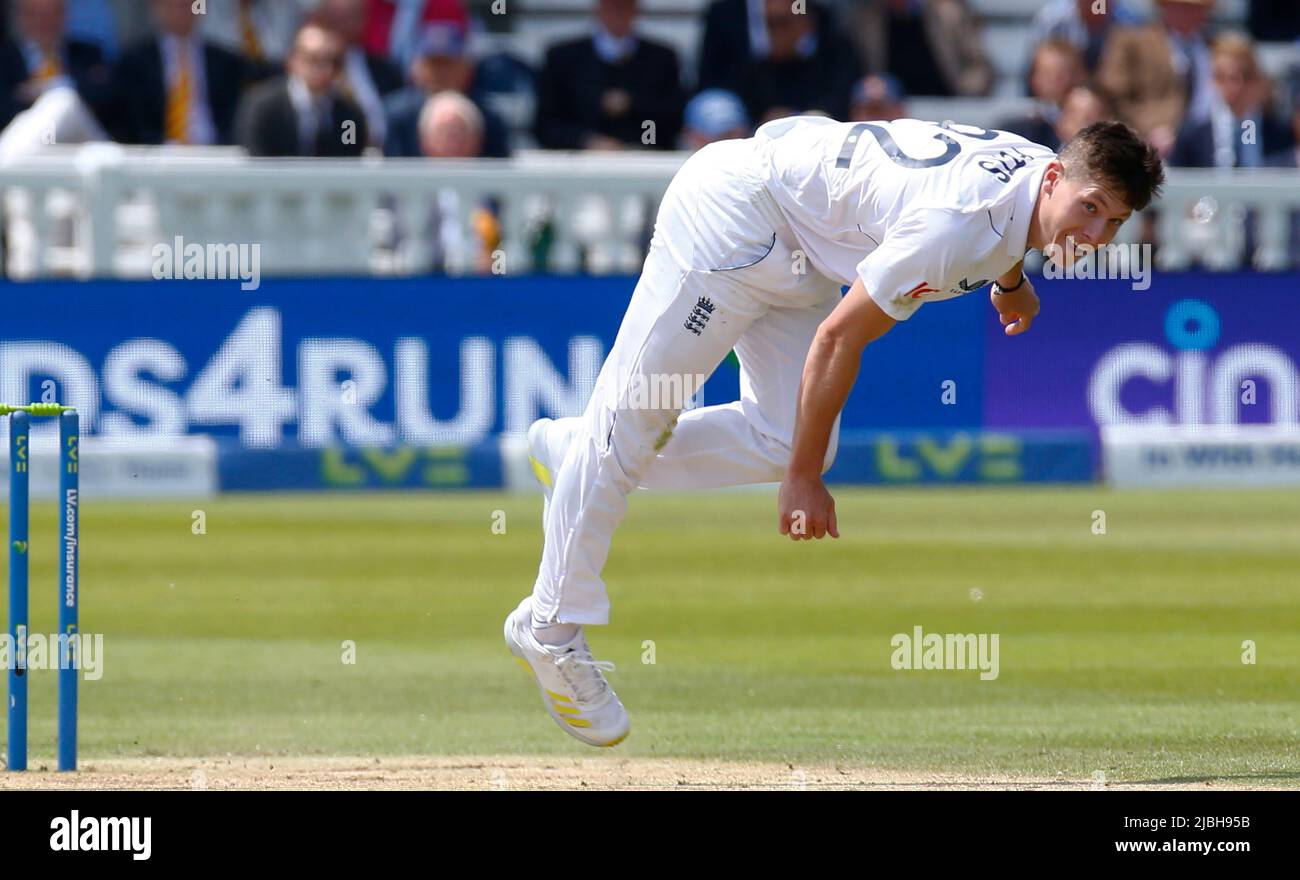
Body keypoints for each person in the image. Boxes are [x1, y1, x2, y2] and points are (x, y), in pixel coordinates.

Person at [505, 117, 1164, 746]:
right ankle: (549, 628)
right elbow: (840, 337)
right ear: (1054, 178)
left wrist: (1012, 279)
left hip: (803, 251)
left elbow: (1007, 223)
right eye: (1091, 207)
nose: (1097, 233)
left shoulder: (1029, 177)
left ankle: (573, 453)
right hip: (734, 218)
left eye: (1114, 221)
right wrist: (804, 478)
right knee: (636, 421)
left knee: (773, 434)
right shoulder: (960, 223)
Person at [533, 0, 684, 150]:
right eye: (612, 5)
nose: (618, 12)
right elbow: (546, 125)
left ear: (636, 10)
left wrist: (633, 106)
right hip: (577, 162)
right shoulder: (563, 57)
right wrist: (585, 140)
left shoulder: (661, 58)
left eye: (624, 6)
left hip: (644, 160)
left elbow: (672, 120)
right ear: (598, 8)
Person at [112, 0, 245, 144]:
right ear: (155, 7)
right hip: (156, 155)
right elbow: (132, 122)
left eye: (186, 4)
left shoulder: (226, 61)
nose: (179, 11)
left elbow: (234, 118)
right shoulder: (135, 60)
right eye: (171, 4)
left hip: (218, 152)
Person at [1097, 0, 1217, 157]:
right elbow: (1112, 90)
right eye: (1184, 7)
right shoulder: (1134, 41)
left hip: (1210, 137)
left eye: (1198, 8)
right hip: (1154, 142)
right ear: (1165, 7)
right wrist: (1148, 128)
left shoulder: (1212, 44)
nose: (1191, 13)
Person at [234, 21, 367, 157]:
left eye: (334, 61)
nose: (325, 69)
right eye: (314, 59)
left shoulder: (349, 117)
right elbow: (256, 156)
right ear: (293, 60)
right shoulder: (262, 107)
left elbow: (350, 160)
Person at [1169, 32, 1294, 167]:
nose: (1236, 86)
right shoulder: (1192, 139)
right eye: (1224, 78)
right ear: (1212, 81)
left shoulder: (1282, 136)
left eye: (1245, 76)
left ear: (1258, 80)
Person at [0, 0, 114, 130]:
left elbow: (107, 99)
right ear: (20, 17)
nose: (43, 22)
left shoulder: (88, 54)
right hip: (22, 141)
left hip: (80, 141)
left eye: (51, 14)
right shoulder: (4, 60)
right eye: (35, 14)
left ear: (65, 15)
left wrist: (52, 87)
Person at [998, 39, 1087, 151]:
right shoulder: (1018, 130)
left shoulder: (1095, 121)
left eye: (1066, 72)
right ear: (1033, 78)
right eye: (1047, 74)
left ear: (1082, 74)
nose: (1057, 80)